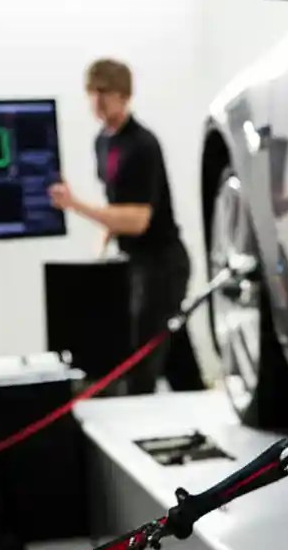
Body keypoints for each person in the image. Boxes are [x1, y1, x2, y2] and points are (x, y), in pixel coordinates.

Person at [48, 58, 197, 396]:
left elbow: (137, 220)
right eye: (93, 92)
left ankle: (142, 414)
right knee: (178, 359)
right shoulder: (103, 142)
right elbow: (115, 205)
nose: (97, 101)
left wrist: (75, 205)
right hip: (136, 262)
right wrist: (102, 244)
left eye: (106, 92)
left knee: (142, 359)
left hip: (162, 264)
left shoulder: (142, 145)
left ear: (124, 95)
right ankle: (194, 397)